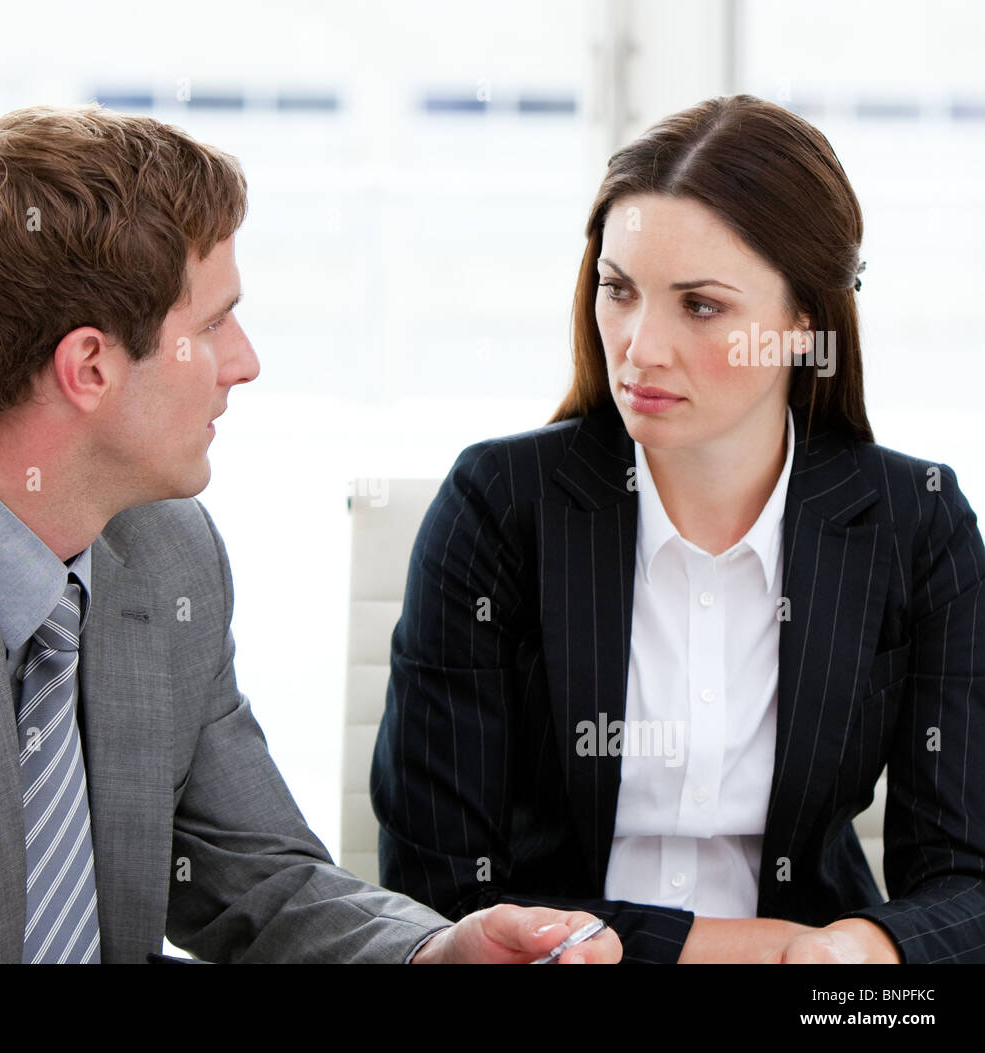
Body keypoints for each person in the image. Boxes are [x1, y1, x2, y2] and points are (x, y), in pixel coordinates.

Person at [0, 104, 622, 966]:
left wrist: (434, 954)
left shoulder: (168, 549)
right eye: (214, 324)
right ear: (89, 367)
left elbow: (257, 876)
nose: (245, 363)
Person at [371, 94, 985, 964]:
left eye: (700, 306)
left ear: (804, 324)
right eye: (618, 290)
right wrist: (768, 949)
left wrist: (852, 953)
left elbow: (967, 881)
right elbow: (440, 892)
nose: (640, 346)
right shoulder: (498, 505)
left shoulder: (917, 521)